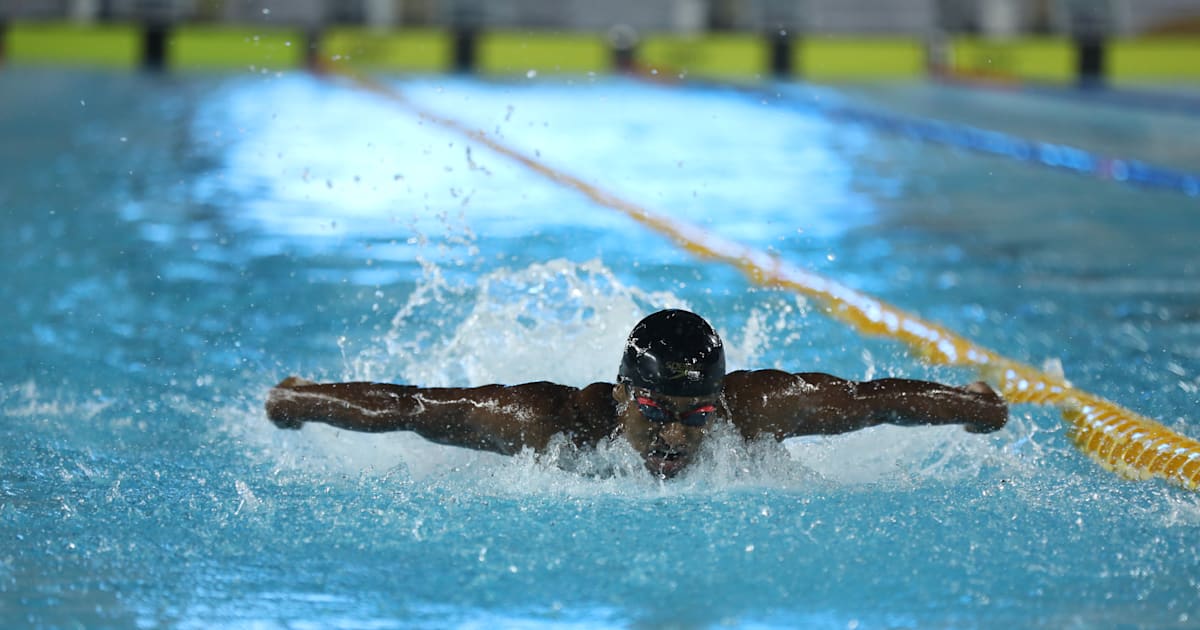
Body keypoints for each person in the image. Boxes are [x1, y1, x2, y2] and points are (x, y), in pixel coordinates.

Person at [266, 309, 1007, 478]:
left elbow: (876, 398)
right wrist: (302, 398)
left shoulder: (759, 408)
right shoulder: (548, 422)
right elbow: (414, 408)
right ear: (623, 395)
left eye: (697, 416)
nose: (678, 438)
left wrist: (974, 406)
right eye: (655, 412)